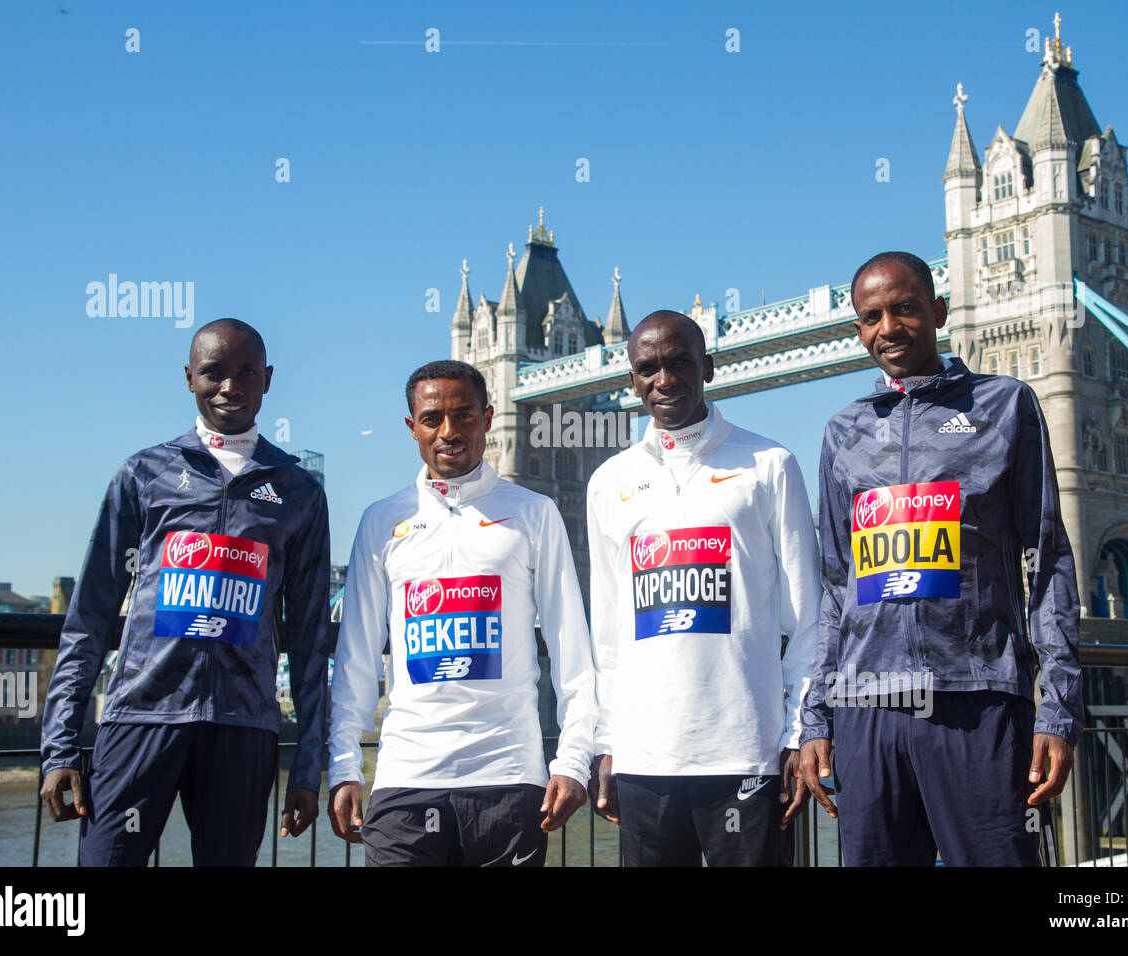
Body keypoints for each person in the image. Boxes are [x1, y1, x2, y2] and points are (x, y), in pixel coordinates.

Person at [798, 251, 1083, 866]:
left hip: (978, 698)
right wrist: (815, 718)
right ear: (858, 329)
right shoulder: (842, 431)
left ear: (940, 311)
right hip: (865, 707)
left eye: (904, 309)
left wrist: (1059, 710)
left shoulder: (1004, 405)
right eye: (871, 317)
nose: (889, 328)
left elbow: (1048, 560)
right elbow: (835, 587)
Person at [39, 318, 331, 866]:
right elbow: (90, 618)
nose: (230, 386)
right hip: (139, 717)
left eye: (246, 372)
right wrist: (59, 750)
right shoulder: (141, 474)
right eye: (213, 372)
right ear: (189, 378)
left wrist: (307, 769)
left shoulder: (299, 492)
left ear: (268, 379)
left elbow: (311, 640)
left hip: (243, 727)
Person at [326, 360, 595, 866]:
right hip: (406, 776)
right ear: (412, 427)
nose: (448, 432)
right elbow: (356, 656)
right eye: (432, 419)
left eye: (464, 416)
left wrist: (574, 759)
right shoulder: (381, 521)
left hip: (508, 776)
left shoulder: (535, 513)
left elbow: (571, 649)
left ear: (488, 418)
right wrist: (344, 765)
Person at [586, 311, 821, 867]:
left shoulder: (771, 464)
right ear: (632, 382)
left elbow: (807, 617)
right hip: (644, 760)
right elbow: (609, 633)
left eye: (680, 363)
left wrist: (797, 731)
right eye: (648, 369)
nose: (664, 380)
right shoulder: (608, 482)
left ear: (708, 368)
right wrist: (607, 742)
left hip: (747, 752)